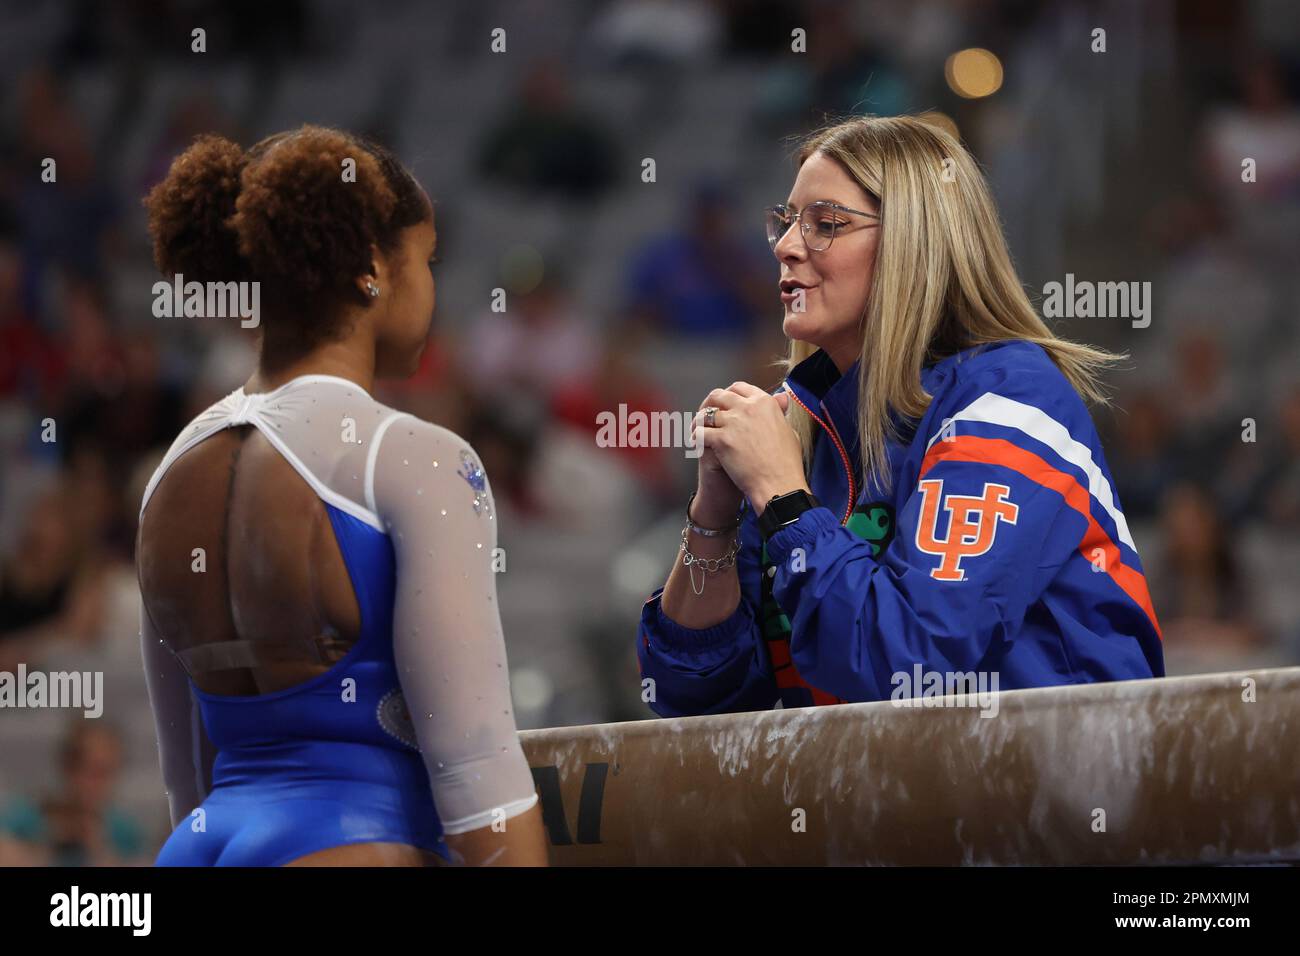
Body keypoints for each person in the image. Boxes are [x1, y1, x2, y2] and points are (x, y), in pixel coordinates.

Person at [637, 116, 1164, 716]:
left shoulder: (1009, 403)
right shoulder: (798, 432)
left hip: (1054, 797)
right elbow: (691, 699)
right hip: (881, 802)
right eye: (785, 223)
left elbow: (914, 665)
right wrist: (714, 517)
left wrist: (784, 499)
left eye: (825, 224)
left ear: (916, 241)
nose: (785, 246)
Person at [137, 126, 547, 865]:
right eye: (427, 261)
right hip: (347, 839)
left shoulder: (171, 470)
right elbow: (477, 767)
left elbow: (186, 777)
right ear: (371, 270)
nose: (431, 288)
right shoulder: (413, 457)